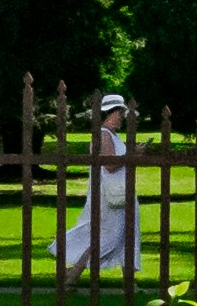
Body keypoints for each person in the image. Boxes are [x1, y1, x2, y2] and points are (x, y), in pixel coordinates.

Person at [56, 90, 141, 280]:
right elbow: (109, 164)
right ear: (112, 113)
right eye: (120, 113)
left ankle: (130, 281)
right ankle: (73, 273)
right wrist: (132, 155)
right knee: (110, 237)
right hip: (111, 195)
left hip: (120, 191)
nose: (122, 118)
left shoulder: (111, 135)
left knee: (127, 236)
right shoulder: (104, 135)